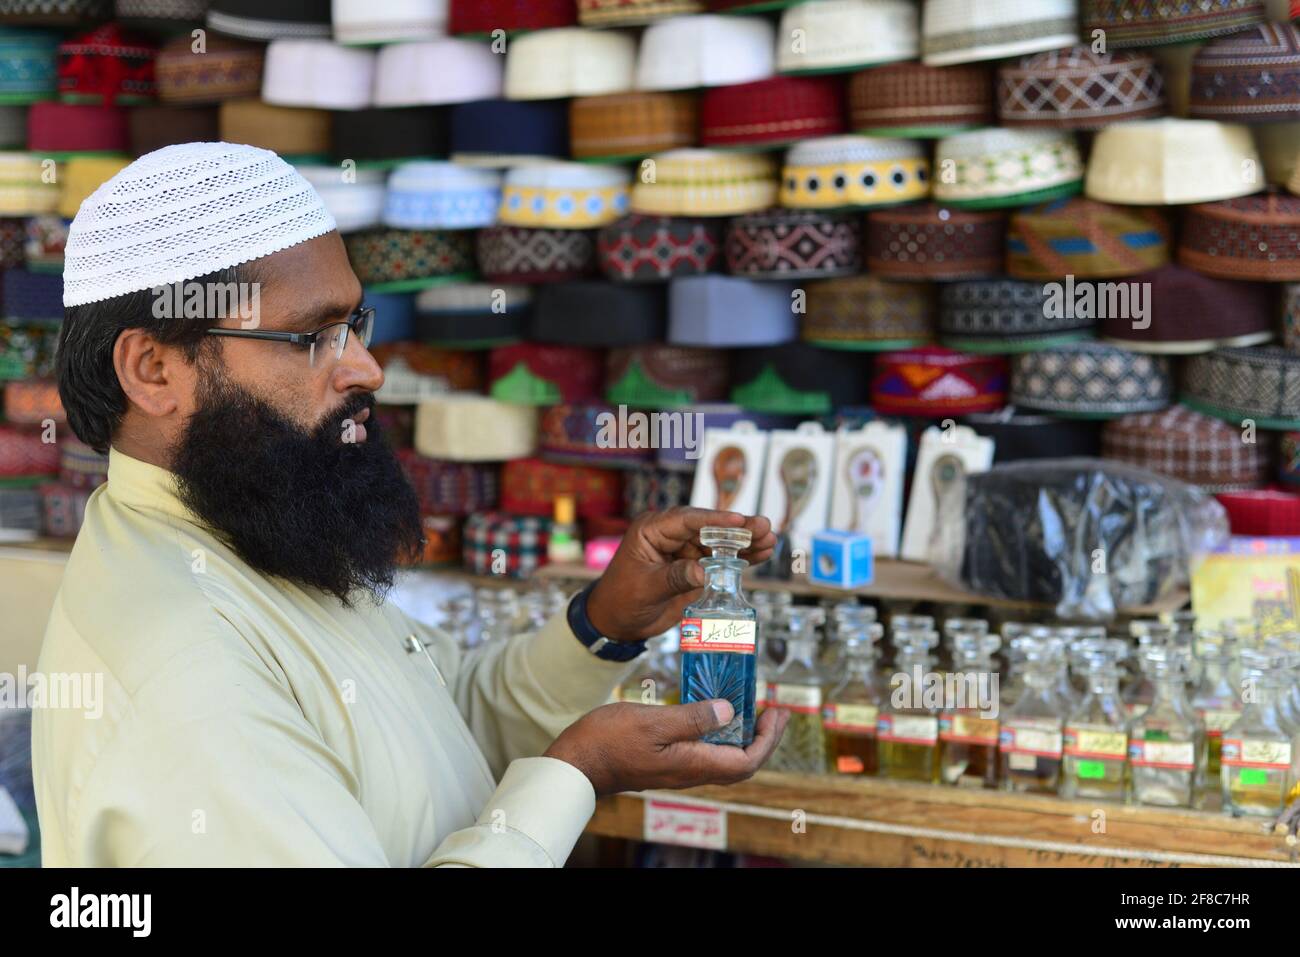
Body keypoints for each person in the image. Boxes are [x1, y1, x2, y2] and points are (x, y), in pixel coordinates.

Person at [32, 142, 789, 866]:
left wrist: (603, 624)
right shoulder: (182, 672)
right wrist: (576, 772)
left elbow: (440, 718)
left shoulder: (251, 523)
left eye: (354, 325)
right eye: (310, 338)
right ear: (154, 369)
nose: (365, 368)